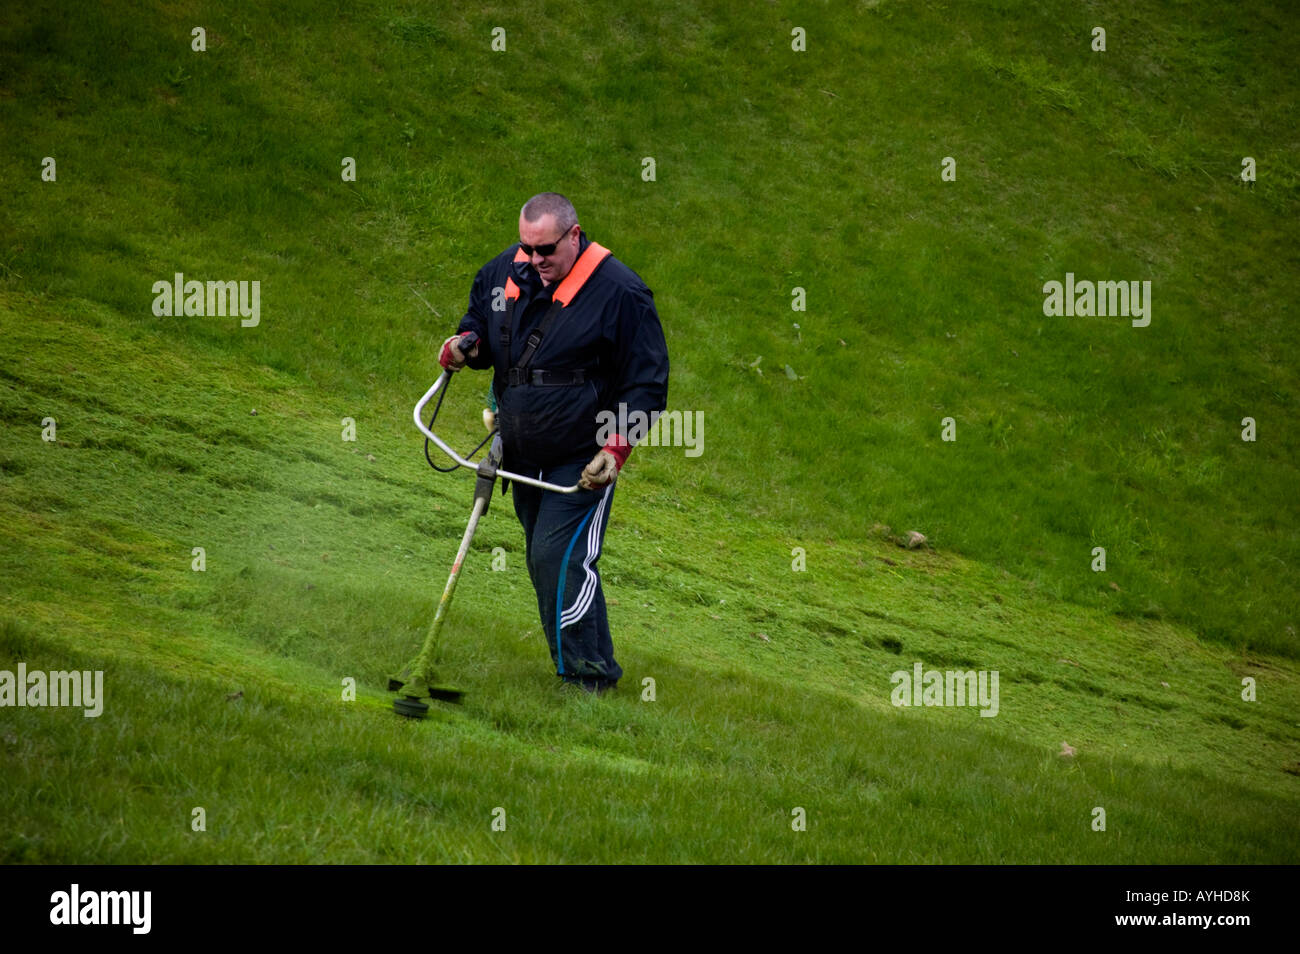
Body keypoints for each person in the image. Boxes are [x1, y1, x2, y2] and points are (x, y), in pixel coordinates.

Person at [439, 193, 669, 694]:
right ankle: (570, 666)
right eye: (527, 247)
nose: (535, 260)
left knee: (558, 557)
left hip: (582, 457)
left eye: (545, 250)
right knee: (541, 560)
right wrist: (465, 342)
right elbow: (483, 317)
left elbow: (647, 382)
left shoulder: (621, 293)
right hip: (521, 447)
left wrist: (616, 448)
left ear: (574, 234)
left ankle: (591, 679)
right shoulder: (508, 268)